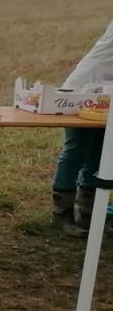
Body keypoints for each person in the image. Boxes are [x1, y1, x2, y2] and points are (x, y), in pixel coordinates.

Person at [51, 17, 113, 236]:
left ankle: (90, 215)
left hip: (105, 95)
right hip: (81, 92)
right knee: (76, 151)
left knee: (98, 154)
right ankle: (62, 214)